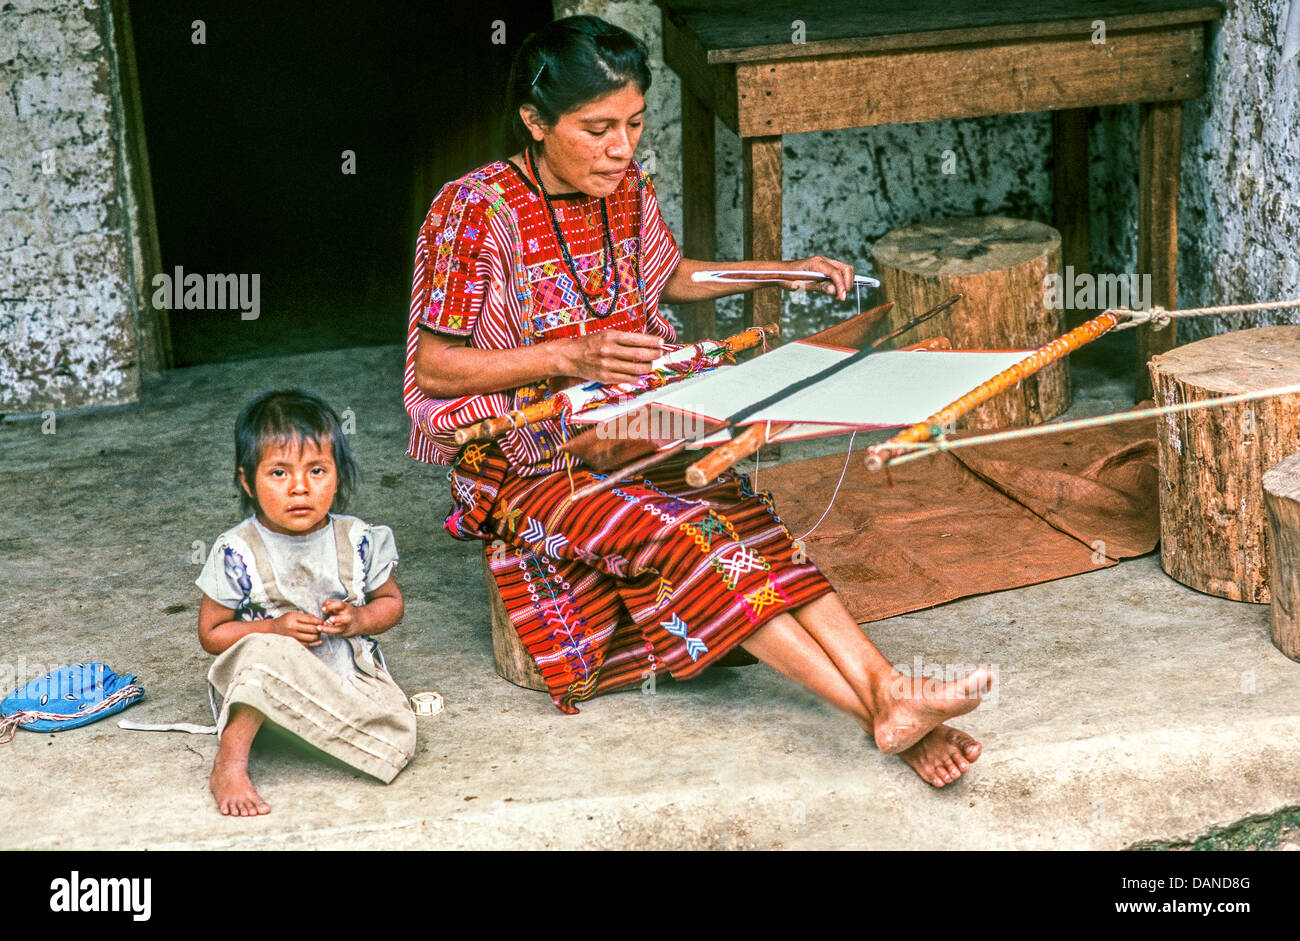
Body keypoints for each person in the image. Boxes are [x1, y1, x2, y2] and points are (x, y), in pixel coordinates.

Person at [404, 15, 990, 788]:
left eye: (636, 124)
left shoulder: (622, 188)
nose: (622, 148)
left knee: (752, 520)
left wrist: (782, 273)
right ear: (535, 122)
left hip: (635, 435)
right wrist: (567, 355)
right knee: (694, 534)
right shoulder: (471, 211)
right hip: (530, 465)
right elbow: (436, 368)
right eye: (598, 128)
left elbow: (672, 275)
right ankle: (877, 709)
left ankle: (890, 690)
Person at [196, 390, 416, 816]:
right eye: (279, 473)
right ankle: (231, 761)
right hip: (261, 703)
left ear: (339, 475)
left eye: (317, 470)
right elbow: (211, 634)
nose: (300, 488)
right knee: (265, 650)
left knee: (400, 737)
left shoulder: (357, 538)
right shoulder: (236, 550)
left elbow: (391, 603)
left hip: (341, 684)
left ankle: (327, 733)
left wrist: (359, 618)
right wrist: (273, 629)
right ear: (247, 481)